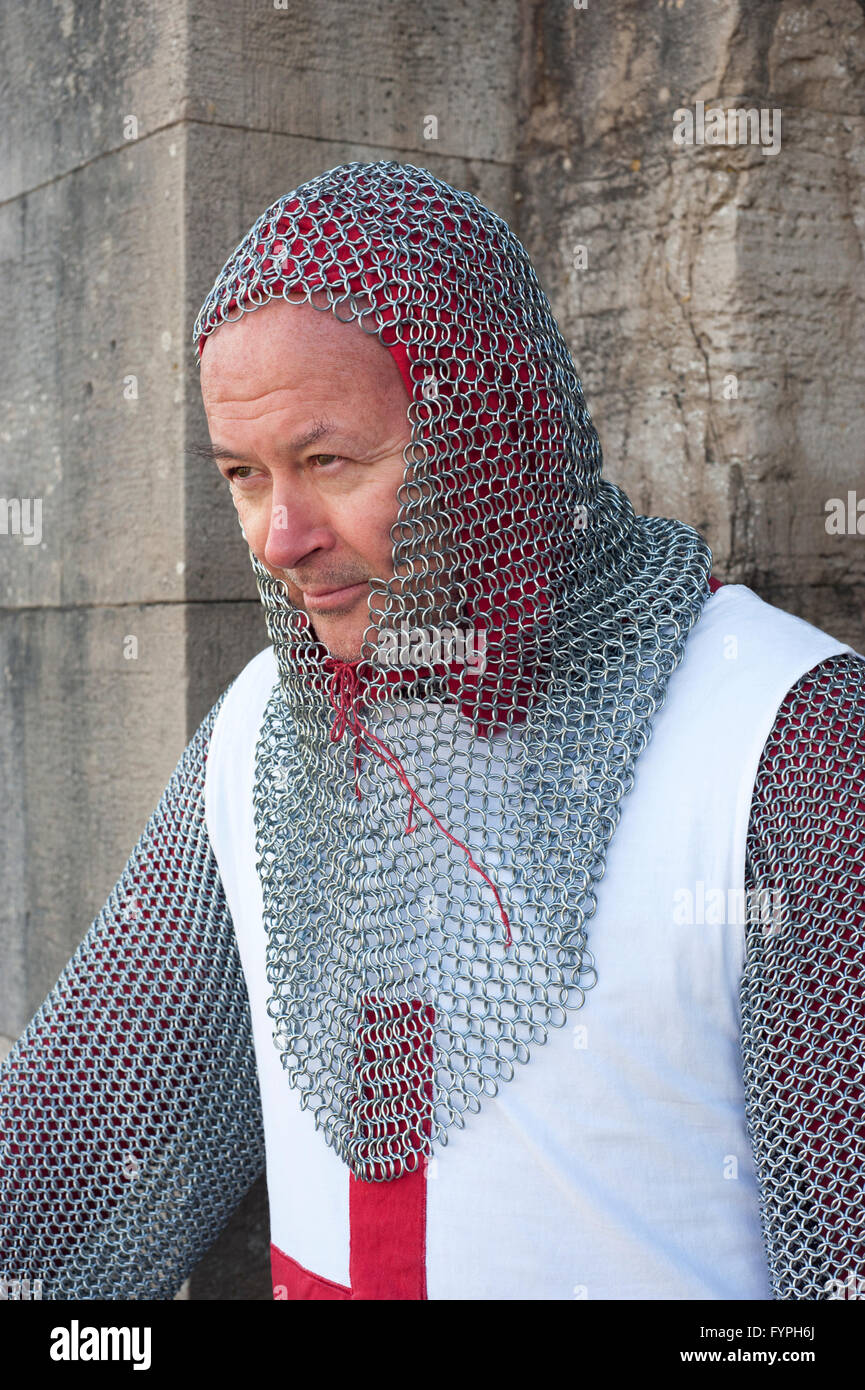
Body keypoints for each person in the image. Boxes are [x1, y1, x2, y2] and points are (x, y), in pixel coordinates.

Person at [1, 160, 862, 1302]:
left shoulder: (782, 740)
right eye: (243, 476)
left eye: (327, 462)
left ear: (489, 426)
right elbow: (69, 1168)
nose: (279, 536)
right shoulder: (261, 733)